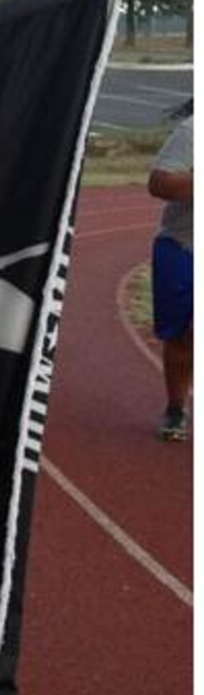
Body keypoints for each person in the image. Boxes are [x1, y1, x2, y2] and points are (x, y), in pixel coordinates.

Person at [149, 100, 193, 441]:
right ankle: (176, 407)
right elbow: (160, 184)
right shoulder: (193, 131)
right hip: (184, 245)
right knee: (182, 336)